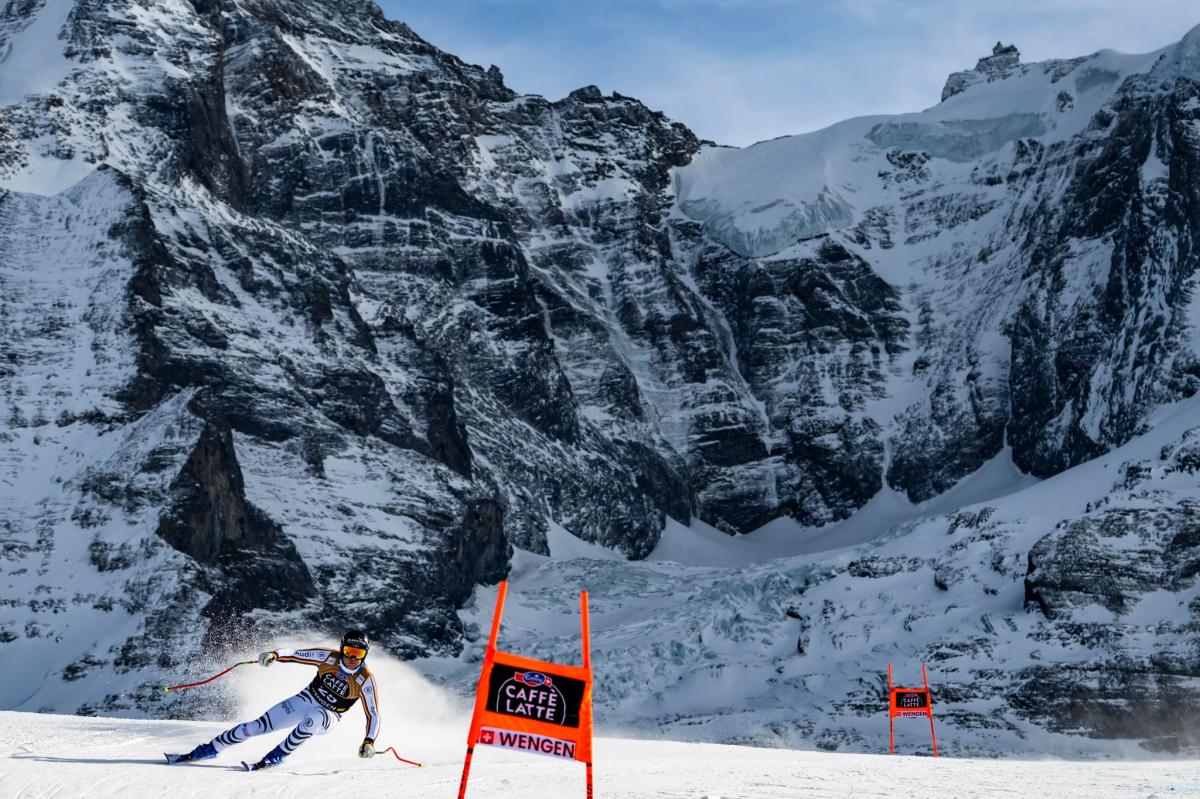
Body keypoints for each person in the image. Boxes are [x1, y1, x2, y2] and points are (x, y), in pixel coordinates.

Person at [169, 629, 382, 770]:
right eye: (349, 651)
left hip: (330, 716)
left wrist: (369, 741)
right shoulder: (329, 657)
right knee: (253, 727)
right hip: (305, 700)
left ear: (364, 655)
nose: (352, 658)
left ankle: (277, 755)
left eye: (358, 654)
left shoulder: (365, 679)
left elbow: (373, 714)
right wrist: (274, 655)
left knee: (315, 717)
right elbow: (296, 654)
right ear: (342, 648)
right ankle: (210, 749)